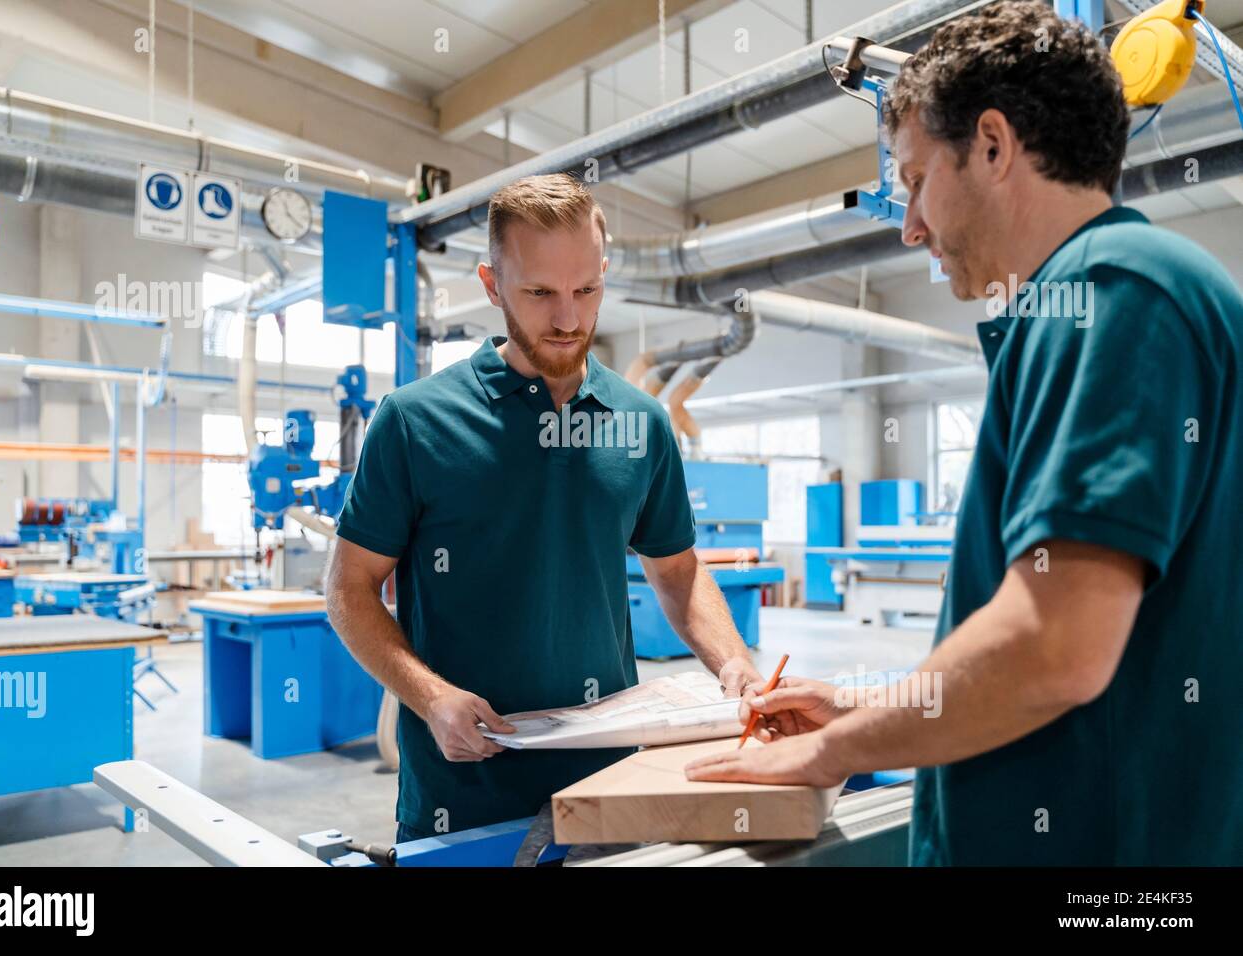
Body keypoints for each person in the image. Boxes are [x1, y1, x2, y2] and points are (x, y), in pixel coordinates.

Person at [686, 1, 1243, 865]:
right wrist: (871, 711)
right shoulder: (1118, 295)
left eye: (912, 181)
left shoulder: (1111, 294)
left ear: (992, 145)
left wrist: (829, 751)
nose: (909, 225)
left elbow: (1053, 647)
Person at [328, 173, 765, 844]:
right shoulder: (414, 422)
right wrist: (433, 698)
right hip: (461, 795)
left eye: (586, 291)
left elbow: (676, 571)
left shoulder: (642, 423)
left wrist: (731, 659)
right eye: (539, 293)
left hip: (608, 790)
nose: (568, 319)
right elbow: (348, 590)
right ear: (491, 284)